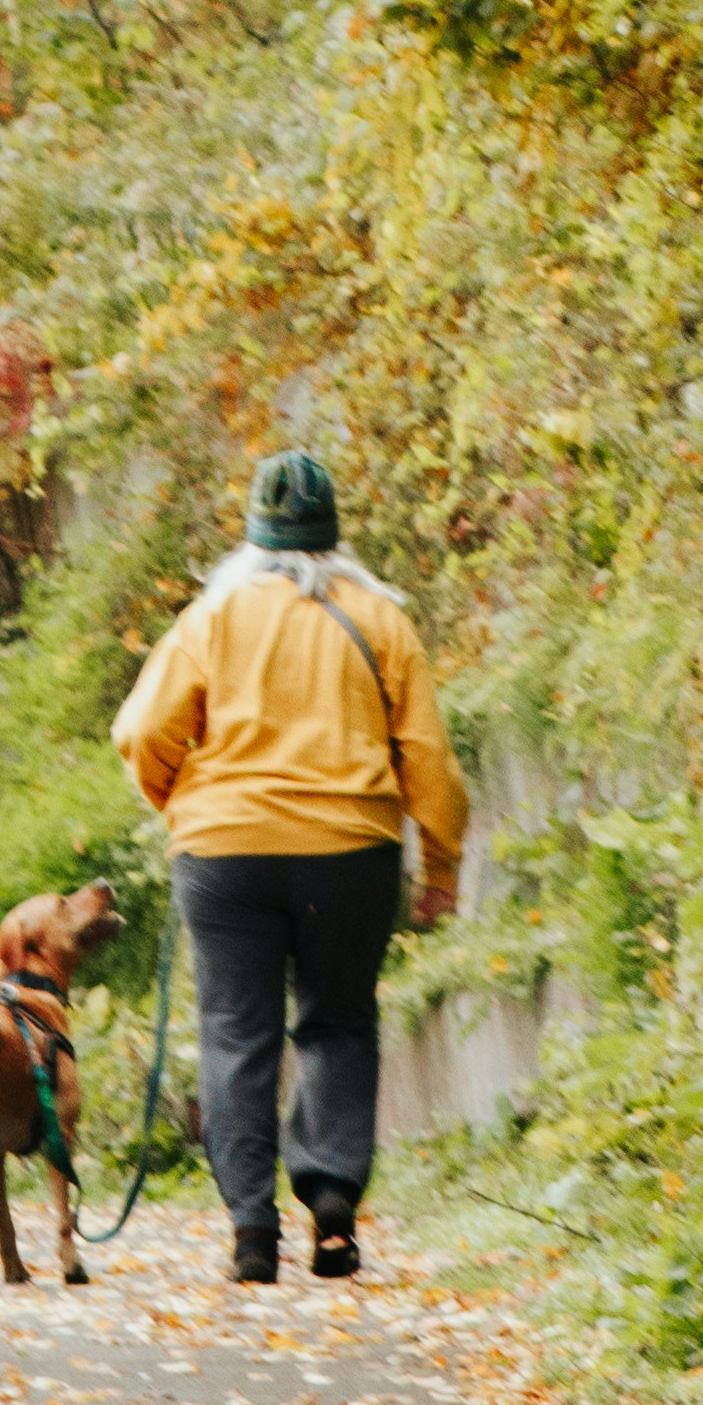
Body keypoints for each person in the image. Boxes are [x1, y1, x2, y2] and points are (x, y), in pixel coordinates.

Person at [112, 448, 471, 1285]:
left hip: (224, 853)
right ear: (332, 534)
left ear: (254, 534)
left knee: (237, 1034)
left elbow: (141, 730)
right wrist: (442, 865)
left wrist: (181, 806)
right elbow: (429, 758)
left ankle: (249, 1229)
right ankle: (334, 1199)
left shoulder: (212, 616)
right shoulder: (381, 619)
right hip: (351, 854)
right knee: (338, 1021)